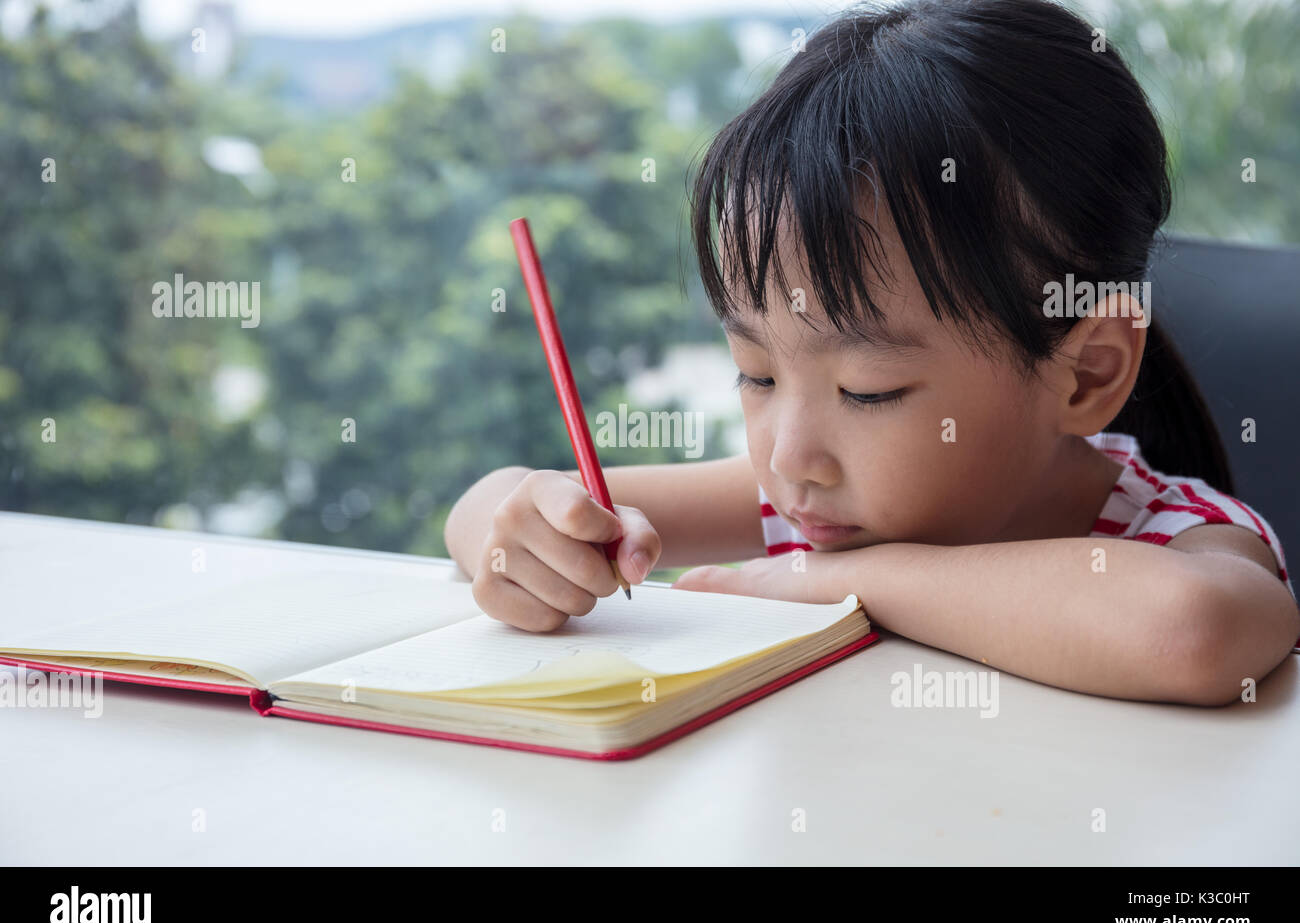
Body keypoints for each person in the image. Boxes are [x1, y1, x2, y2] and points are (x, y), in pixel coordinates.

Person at [445, 0, 1298, 706]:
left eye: (868, 390)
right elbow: (494, 501)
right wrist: (524, 535)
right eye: (756, 374)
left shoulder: (1170, 536)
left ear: (1088, 370)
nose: (788, 457)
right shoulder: (814, 501)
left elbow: (1191, 633)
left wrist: (842, 582)